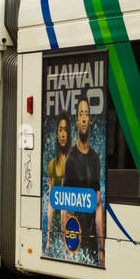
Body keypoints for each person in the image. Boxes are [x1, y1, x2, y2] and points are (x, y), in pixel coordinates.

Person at [61, 96, 104, 265]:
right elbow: (64, 204)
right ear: (77, 121)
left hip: (92, 240)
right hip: (76, 238)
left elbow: (99, 204)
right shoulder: (71, 158)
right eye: (81, 114)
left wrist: (102, 248)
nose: (84, 117)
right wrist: (67, 247)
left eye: (87, 113)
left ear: (90, 121)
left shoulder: (95, 158)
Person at [46, 113, 71, 252]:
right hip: (56, 218)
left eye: (65, 130)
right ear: (56, 134)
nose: (62, 134)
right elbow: (50, 199)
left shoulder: (73, 161)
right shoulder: (51, 165)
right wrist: (48, 238)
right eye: (60, 130)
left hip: (68, 221)